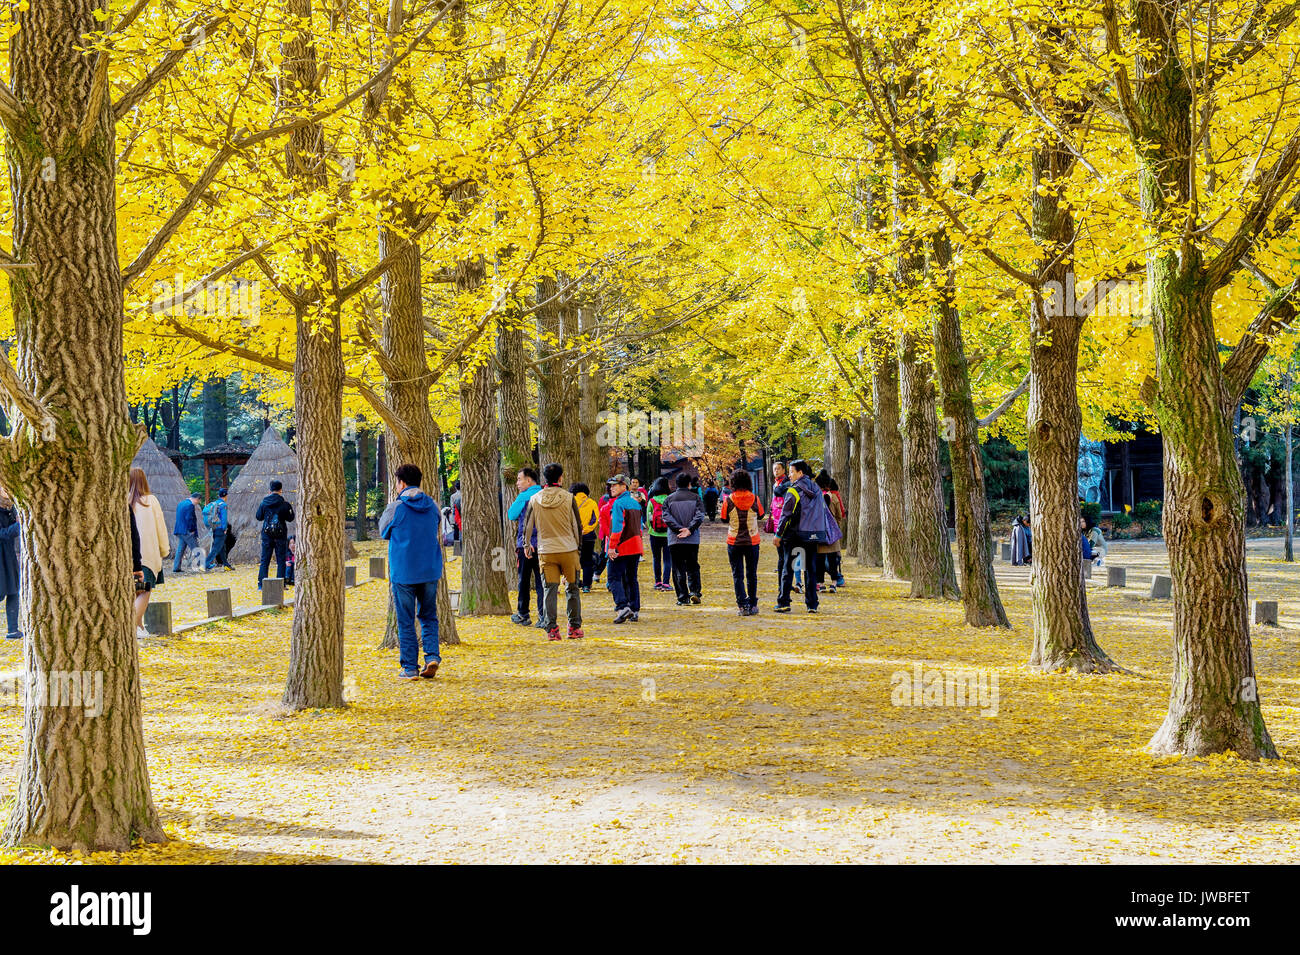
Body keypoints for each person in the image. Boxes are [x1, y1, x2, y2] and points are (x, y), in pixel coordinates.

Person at [380, 463, 443, 681]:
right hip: (429, 569)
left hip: (404, 570)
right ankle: (432, 656)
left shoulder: (396, 508)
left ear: (402, 483)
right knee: (428, 616)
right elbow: (436, 525)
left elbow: (383, 531)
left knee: (406, 620)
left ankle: (409, 668)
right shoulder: (433, 506)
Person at [524, 463, 585, 640]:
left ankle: (551, 629)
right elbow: (576, 524)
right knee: (572, 589)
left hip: (546, 551)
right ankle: (574, 627)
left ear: (544, 479)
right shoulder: (568, 497)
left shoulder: (535, 499)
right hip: (568, 550)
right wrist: (578, 548)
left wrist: (527, 545)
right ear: (560, 478)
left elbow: (528, 525)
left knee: (549, 590)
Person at [775, 459, 828, 614]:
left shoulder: (793, 490)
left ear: (800, 473)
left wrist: (778, 534)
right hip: (812, 535)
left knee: (788, 568)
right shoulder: (817, 490)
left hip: (794, 535)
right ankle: (812, 604)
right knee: (810, 569)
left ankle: (784, 602)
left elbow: (785, 515)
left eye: (792, 472)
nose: (789, 475)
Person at [130, 467, 171, 640]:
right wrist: (164, 550)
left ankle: (139, 626)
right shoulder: (150, 500)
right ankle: (132, 625)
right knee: (144, 591)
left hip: (127, 556)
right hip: (146, 554)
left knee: (133, 591)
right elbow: (160, 528)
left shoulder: (122, 500)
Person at [720, 468, 765, 615]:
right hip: (752, 541)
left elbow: (724, 518)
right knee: (752, 573)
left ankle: (742, 605)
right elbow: (761, 515)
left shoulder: (729, 500)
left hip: (734, 541)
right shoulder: (755, 498)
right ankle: (752, 604)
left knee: (737, 574)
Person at [507, 467, 545, 627]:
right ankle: (544, 616)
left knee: (523, 580)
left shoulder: (524, 496)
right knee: (542, 581)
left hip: (525, 545)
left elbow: (512, 515)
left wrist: (521, 499)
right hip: (545, 545)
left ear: (529, 480)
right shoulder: (545, 494)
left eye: (519, 479)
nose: (517, 483)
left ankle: (523, 614)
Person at [606, 473, 645, 623]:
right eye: (611, 485)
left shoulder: (618, 504)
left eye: (615, 485)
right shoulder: (635, 503)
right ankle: (634, 609)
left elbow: (617, 528)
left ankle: (622, 607)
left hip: (622, 547)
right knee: (631, 578)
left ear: (624, 486)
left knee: (614, 578)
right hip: (636, 546)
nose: (612, 488)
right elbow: (639, 528)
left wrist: (612, 547)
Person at [664, 472, 707, 604]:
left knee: (678, 568)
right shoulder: (696, 498)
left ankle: (682, 597)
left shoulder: (669, 499)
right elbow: (700, 515)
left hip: (675, 538)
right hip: (692, 539)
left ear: (676, 484)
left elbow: (666, 517)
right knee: (693, 566)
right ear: (689, 484)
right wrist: (689, 529)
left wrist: (678, 529)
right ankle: (694, 591)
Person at [255, 479, 295, 587]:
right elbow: (291, 518)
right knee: (281, 560)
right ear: (281, 490)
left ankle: (261, 584)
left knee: (265, 560)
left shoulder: (264, 503)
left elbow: (258, 517)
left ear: (270, 490)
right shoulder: (285, 504)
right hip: (281, 536)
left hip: (267, 535)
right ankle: (280, 584)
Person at [816, 469, 845, 593]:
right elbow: (839, 515)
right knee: (833, 560)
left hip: (820, 533)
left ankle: (821, 583)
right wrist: (835, 526)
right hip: (832, 534)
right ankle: (834, 583)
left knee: (820, 560)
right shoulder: (833, 497)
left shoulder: (816, 498)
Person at [571, 482, 600, 593]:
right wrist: (586, 530)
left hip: (573, 537)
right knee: (588, 561)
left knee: (573, 560)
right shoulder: (591, 502)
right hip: (588, 537)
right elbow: (595, 519)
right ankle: (586, 586)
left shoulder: (571, 502)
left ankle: (575, 582)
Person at [646, 476, 674, 591]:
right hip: (668, 534)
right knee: (668, 559)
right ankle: (666, 582)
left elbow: (648, 519)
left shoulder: (652, 501)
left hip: (654, 534)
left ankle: (657, 581)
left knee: (656, 558)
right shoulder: (670, 500)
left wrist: (651, 529)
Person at [0, 488, 20, 640]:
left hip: (9, 554)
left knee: (13, 591)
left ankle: (13, 630)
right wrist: (21, 525)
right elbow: (4, 533)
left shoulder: (11, 507)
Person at [769, 461, 793, 591]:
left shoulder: (786, 484)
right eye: (774, 469)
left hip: (785, 524)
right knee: (781, 557)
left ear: (784, 470)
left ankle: (785, 585)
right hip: (776, 522)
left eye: (778, 469)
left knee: (785, 557)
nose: (776, 471)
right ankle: (781, 584)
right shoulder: (776, 484)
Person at [172, 491, 203, 573]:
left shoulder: (181, 503)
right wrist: (192, 530)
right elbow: (189, 519)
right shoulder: (190, 505)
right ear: (196, 499)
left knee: (180, 549)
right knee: (196, 548)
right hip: (187, 531)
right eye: (198, 501)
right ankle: (201, 566)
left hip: (179, 530)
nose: (198, 503)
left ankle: (176, 567)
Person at [203, 487, 231, 571]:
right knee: (216, 548)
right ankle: (205, 564)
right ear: (225, 496)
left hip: (214, 528)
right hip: (220, 529)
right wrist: (225, 528)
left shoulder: (215, 503)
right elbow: (224, 518)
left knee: (222, 547)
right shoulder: (223, 505)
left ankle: (226, 565)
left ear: (219, 495)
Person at [449, 480, 462, 545]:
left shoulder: (453, 496)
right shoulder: (465, 494)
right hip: (464, 515)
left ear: (456, 488)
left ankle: (457, 549)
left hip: (456, 515)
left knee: (456, 532)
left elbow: (452, 507)